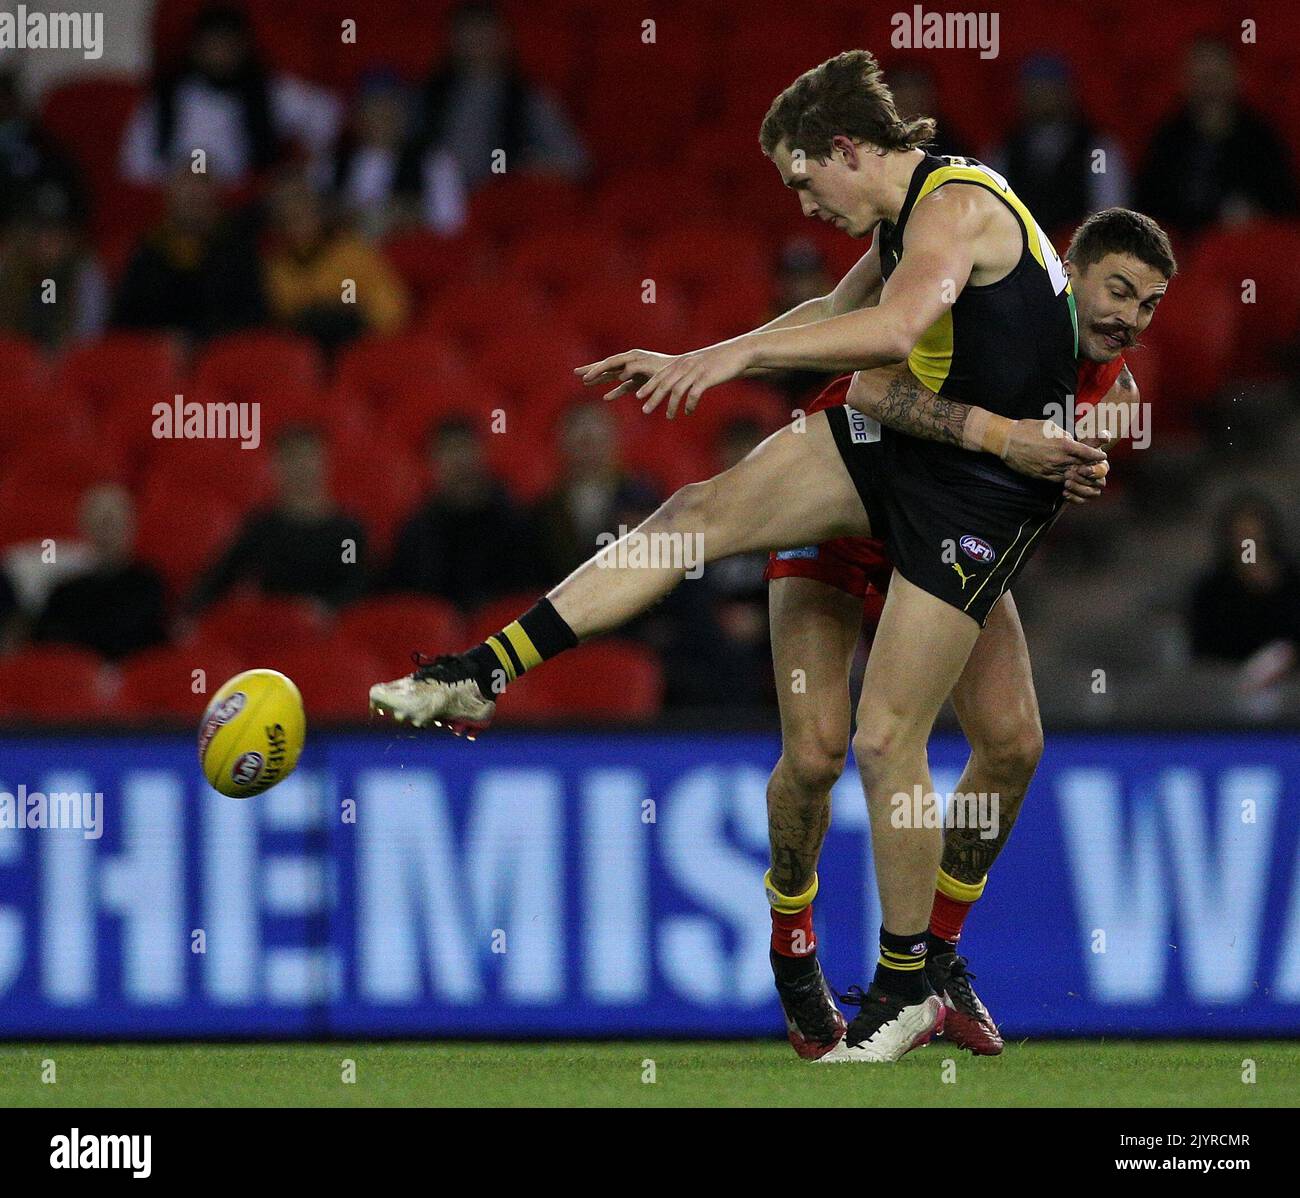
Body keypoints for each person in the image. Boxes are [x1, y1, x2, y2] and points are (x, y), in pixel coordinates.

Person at [369, 51, 1162, 1062]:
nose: (799, 200)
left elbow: (897, 327)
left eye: (800, 177)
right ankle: (483, 672)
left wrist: (738, 360)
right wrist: (707, 352)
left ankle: (917, 972)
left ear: (843, 148)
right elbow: (843, 330)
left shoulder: (955, 211)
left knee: (943, 742)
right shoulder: (914, 213)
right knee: (714, 549)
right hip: (901, 460)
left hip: (965, 494)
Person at [758, 206, 1165, 1058]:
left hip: (938, 539)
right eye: (1118, 289)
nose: (1129, 315)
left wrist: (1050, 473)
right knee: (815, 755)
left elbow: (1007, 511)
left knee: (1013, 742)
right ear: (1067, 271)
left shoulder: (1111, 390)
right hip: (839, 513)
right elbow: (869, 385)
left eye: (1149, 304)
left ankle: (936, 956)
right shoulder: (991, 300)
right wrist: (1012, 444)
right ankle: (794, 946)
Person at [120, 2, 341, 188]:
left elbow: (327, 111)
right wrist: (183, 181)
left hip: (241, 204)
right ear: (195, 50)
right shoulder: (166, 97)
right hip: (179, 200)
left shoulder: (266, 91)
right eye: (213, 46)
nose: (220, 55)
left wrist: (306, 161)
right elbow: (135, 165)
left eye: (228, 46)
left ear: (243, 49)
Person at [398, 0, 588, 192]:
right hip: (431, 198)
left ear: (504, 37)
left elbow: (575, 162)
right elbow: (392, 145)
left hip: (500, 201)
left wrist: (526, 167)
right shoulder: (427, 94)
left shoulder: (527, 98)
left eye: (483, 30)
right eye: (467, 31)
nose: (475, 40)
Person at [187, 425, 367, 613]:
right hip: (273, 627)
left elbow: (354, 582)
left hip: (331, 630)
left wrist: (322, 609)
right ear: (276, 467)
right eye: (292, 458)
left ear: (326, 463)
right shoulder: (261, 527)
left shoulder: (348, 533)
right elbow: (223, 574)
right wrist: (192, 614)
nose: (302, 467)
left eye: (309, 457)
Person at [1136, 37, 1299, 235]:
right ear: (1186, 81)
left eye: (1217, 78)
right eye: (1203, 79)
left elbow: (1283, 206)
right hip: (1182, 248)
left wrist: (1254, 215)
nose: (1210, 90)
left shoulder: (1259, 138)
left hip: (1242, 244)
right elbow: (1146, 207)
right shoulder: (1169, 139)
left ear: (1236, 78)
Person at [383, 417, 538, 609]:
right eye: (449, 451)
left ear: (482, 454)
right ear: (432, 464)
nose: (459, 462)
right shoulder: (416, 532)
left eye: (465, 448)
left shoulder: (515, 522)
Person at [111, 166, 266, 341]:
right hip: (155, 354)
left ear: (215, 198)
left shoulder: (235, 252)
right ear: (169, 196)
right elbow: (124, 323)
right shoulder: (149, 252)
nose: (193, 198)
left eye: (200, 191)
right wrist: (160, 339)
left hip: (219, 354)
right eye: (187, 191)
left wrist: (198, 340)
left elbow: (252, 321)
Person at [262, 172, 408, 348]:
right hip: (307, 351)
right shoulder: (278, 266)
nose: (298, 220)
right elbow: (286, 315)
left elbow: (386, 308)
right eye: (289, 215)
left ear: (318, 210)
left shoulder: (349, 252)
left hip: (359, 344)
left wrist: (348, 308)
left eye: (304, 209)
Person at [33, 485, 167, 660]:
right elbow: (44, 648)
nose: (106, 533)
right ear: (84, 527)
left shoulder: (149, 587)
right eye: (100, 523)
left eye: (113, 524)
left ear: (131, 527)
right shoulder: (64, 593)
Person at [1188, 491, 1300, 680]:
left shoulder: (1293, 579)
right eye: (1243, 534)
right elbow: (1205, 647)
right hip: (1231, 682)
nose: (1249, 541)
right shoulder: (1213, 589)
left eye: (1255, 533)